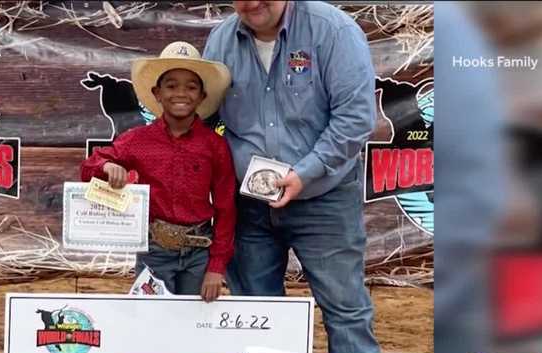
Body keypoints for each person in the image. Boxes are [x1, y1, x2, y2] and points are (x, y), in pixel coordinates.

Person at [203, 1, 379, 352]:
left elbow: (356, 117)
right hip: (248, 204)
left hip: (324, 199)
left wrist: (306, 172)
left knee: (345, 312)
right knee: (256, 315)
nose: (251, 3)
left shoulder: (333, 31)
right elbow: (204, 119)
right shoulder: (220, 41)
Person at [80, 41, 235, 302]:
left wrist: (216, 267)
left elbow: (226, 208)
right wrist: (107, 166)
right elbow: (89, 167)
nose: (181, 93)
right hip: (155, 251)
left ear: (202, 96)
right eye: (171, 86)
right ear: (157, 93)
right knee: (150, 324)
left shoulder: (214, 146)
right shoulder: (137, 140)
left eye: (191, 87)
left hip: (200, 254)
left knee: (193, 326)